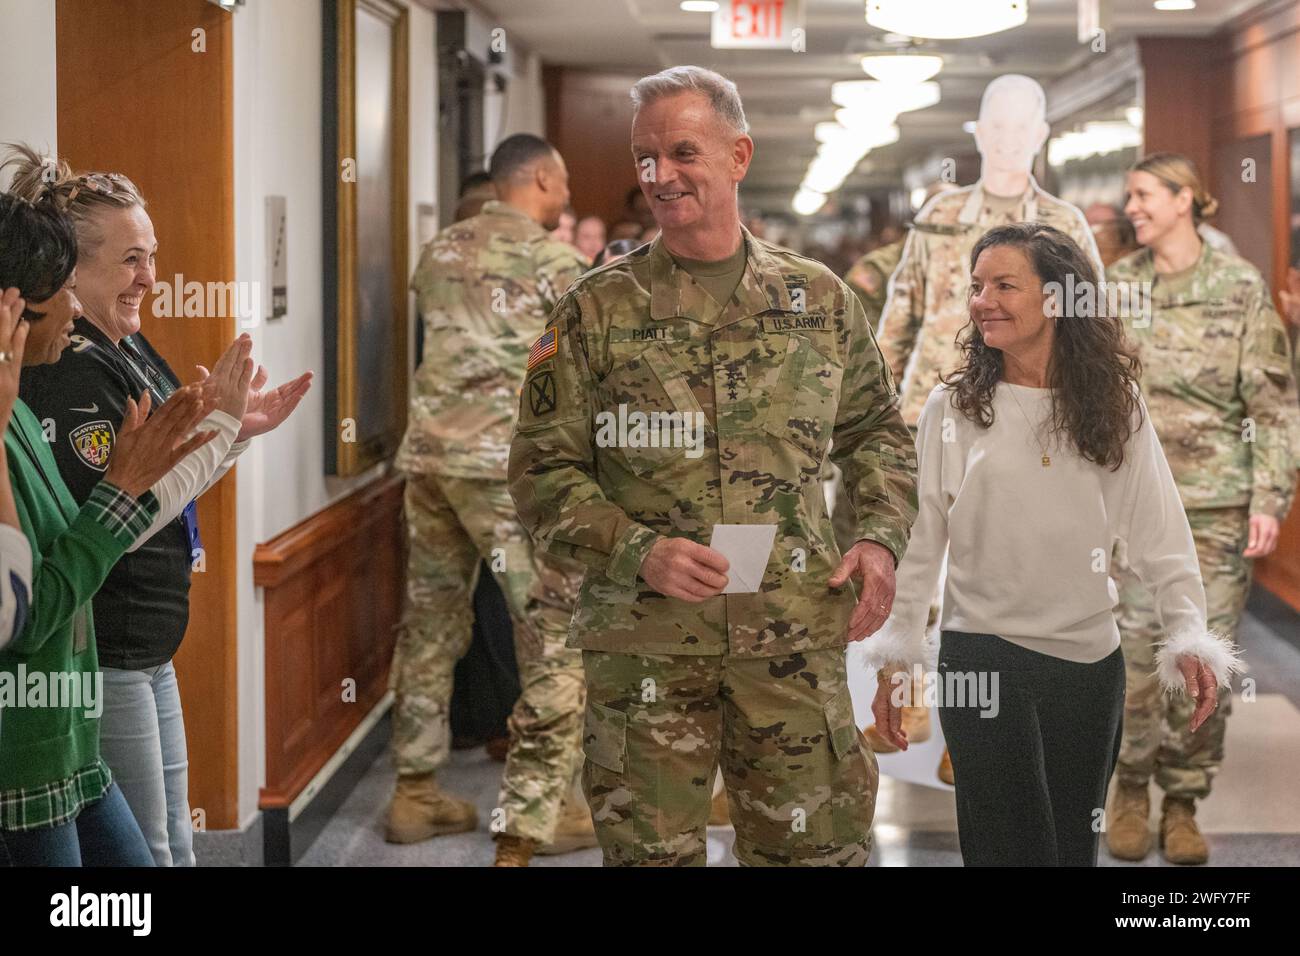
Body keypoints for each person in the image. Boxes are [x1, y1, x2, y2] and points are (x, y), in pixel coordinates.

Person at [508, 65, 917, 867]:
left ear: (739, 155)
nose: (660, 176)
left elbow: (875, 433)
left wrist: (876, 539)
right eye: (645, 158)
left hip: (791, 641)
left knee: (817, 857)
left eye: (683, 152)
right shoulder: (595, 309)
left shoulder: (821, 302)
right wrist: (639, 550)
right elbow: (541, 472)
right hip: (646, 652)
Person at [864, 222, 1241, 866]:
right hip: (982, 658)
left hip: (1089, 664)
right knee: (1010, 848)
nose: (983, 299)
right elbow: (922, 542)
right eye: (978, 285)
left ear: (1059, 299)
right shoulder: (952, 409)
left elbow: (1161, 533)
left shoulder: (1113, 405)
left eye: (1005, 285)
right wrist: (897, 656)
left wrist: (1188, 632)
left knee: (1070, 848)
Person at [5, 146, 313, 866]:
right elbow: (108, 526)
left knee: (166, 849)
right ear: (61, 279)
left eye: (153, 255)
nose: (151, 276)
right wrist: (219, 437)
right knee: (146, 862)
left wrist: (226, 437)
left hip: (114, 667)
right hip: (81, 674)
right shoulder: (61, 371)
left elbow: (149, 488)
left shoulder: (117, 350)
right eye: (131, 259)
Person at [868, 75, 1103, 782]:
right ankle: (902, 704)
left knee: (995, 575)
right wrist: (871, 412)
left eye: (1018, 128)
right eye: (993, 128)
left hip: (1023, 423)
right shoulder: (939, 214)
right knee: (920, 566)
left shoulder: (1065, 225)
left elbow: (1088, 329)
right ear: (977, 134)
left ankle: (963, 731)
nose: (1005, 141)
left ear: (1040, 137)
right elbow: (900, 314)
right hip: (928, 413)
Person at [387, 132, 592, 867]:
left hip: (430, 462)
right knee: (551, 636)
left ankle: (414, 793)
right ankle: (545, 812)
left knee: (431, 625)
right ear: (540, 177)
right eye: (562, 185)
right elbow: (573, 371)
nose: (566, 199)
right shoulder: (556, 261)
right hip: (504, 471)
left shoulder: (440, 252)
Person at [0, 193, 217, 866]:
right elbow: (18, 617)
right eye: (55, 294)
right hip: (23, 766)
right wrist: (124, 489)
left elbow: (69, 547)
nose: (71, 311)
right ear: (9, 311)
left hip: (71, 744)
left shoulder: (20, 418)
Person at [1105, 152, 1299, 864]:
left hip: (1215, 508)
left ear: (1186, 200)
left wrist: (1270, 497)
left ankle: (1183, 799)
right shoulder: (1117, 287)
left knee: (1201, 658)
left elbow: (1272, 404)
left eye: (1146, 194)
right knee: (1129, 658)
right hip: (1129, 507)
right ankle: (1128, 787)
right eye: (1129, 195)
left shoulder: (1238, 287)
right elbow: (1091, 396)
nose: (1133, 207)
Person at [1084, 202, 1140, 267]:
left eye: (1097, 222)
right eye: (1085, 222)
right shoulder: (1075, 260)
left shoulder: (1128, 266)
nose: (1090, 229)